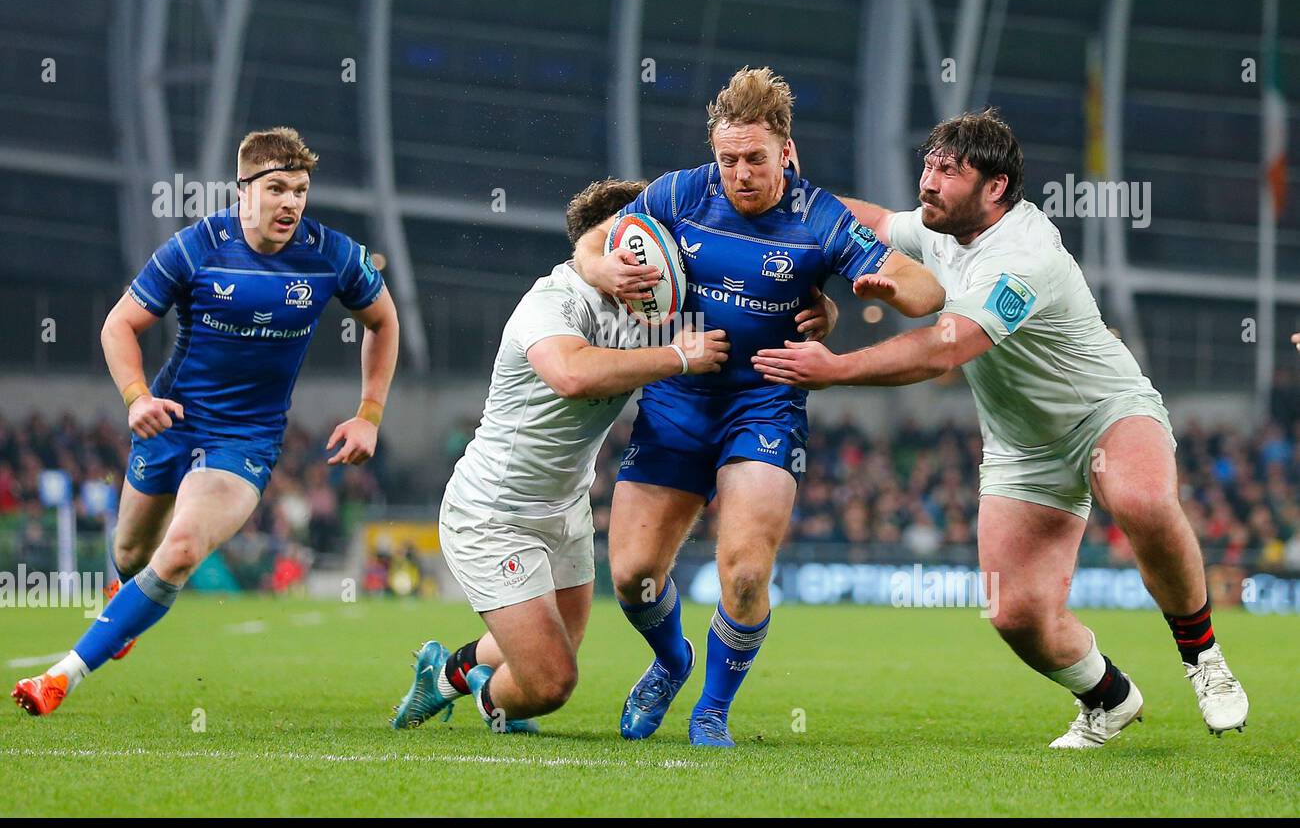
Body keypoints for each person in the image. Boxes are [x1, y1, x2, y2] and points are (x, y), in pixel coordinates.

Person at [753, 108, 1249, 747]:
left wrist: (836, 370)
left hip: (1106, 411)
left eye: (949, 171)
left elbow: (945, 349)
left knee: (1143, 500)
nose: (928, 182)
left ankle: (1202, 656)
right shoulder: (940, 229)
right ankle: (1108, 698)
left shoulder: (1023, 255)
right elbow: (870, 219)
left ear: (994, 189)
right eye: (928, 164)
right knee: (1014, 613)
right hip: (1021, 446)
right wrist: (790, 193)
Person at [572, 67, 945, 746]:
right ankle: (671, 661)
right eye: (728, 158)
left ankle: (712, 710)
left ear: (786, 152)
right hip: (677, 398)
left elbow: (925, 292)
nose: (739, 173)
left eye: (755, 159)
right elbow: (591, 244)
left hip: (765, 404)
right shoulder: (682, 191)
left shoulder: (819, 217)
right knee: (630, 578)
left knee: (743, 573)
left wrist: (882, 287)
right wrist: (605, 270)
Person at [390, 178, 802, 733]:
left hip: (565, 510)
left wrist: (819, 309)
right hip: (493, 514)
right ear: (619, 246)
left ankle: (444, 675)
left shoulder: (643, 308)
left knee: (554, 643)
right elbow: (572, 375)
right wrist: (680, 356)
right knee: (550, 684)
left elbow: (751, 297)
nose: (659, 267)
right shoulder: (552, 302)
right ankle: (496, 707)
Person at [12, 127, 398, 716]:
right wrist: (136, 397)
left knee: (183, 547)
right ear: (243, 191)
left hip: (245, 439)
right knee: (132, 551)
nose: (291, 202)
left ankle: (62, 675)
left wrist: (370, 412)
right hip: (171, 421)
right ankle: (126, 602)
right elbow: (118, 326)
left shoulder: (333, 255)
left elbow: (383, 320)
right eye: (276, 189)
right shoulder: (195, 247)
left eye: (300, 190)